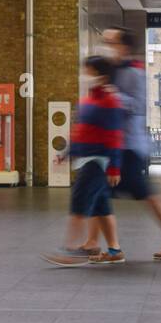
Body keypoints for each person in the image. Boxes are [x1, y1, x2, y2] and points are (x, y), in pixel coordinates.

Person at [78, 27, 161, 260]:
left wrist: (113, 95)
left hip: (128, 144)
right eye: (104, 41)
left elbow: (137, 105)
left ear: (124, 47)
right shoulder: (109, 70)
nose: (106, 45)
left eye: (110, 42)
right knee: (101, 190)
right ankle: (95, 241)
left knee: (144, 192)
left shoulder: (135, 73)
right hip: (111, 143)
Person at [43, 55, 127, 266]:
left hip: (97, 162)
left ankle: (70, 251)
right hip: (88, 159)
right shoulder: (90, 99)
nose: (84, 75)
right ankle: (115, 249)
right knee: (101, 207)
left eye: (88, 71)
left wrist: (115, 167)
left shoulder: (110, 101)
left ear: (101, 75)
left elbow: (114, 135)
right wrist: (67, 153)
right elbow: (81, 131)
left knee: (79, 204)